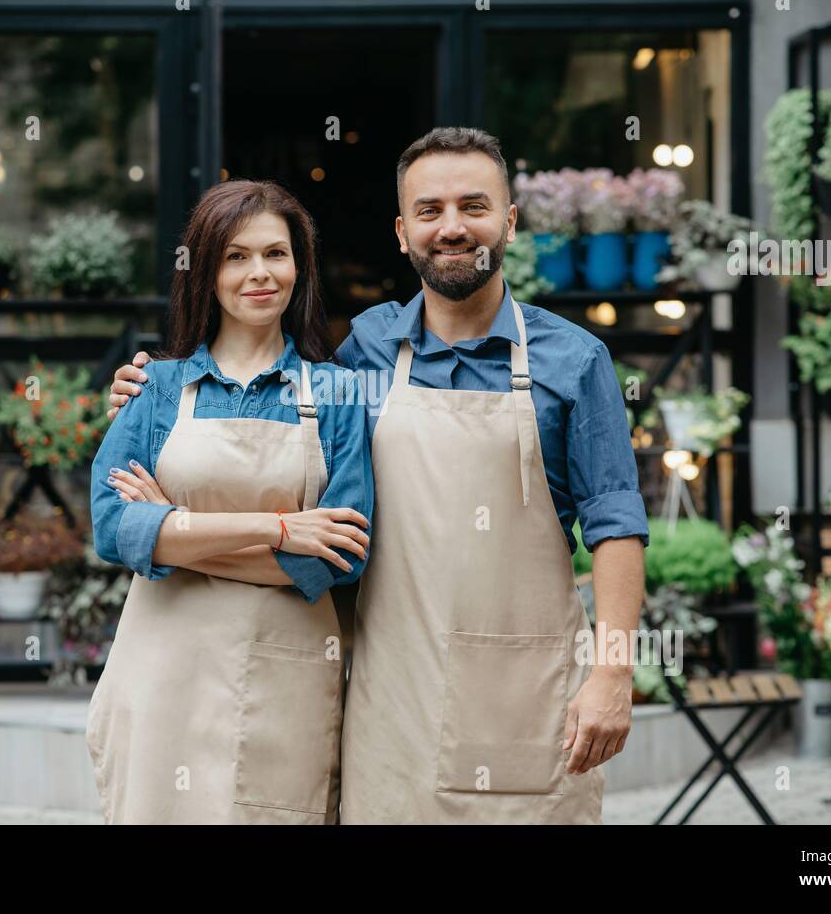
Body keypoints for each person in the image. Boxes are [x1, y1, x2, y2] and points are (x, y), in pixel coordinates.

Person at [107, 128, 647, 824]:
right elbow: (257, 410)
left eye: (473, 206)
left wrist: (612, 673)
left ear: (509, 221)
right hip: (387, 705)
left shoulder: (574, 361)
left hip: (526, 698)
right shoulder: (364, 351)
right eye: (429, 211)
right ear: (402, 232)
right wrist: (150, 391)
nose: (452, 227)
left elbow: (616, 524)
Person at [87, 178, 373, 824]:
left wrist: (175, 533)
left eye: (276, 254)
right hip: (164, 678)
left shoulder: (336, 393)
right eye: (236, 256)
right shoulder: (155, 388)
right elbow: (112, 527)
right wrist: (279, 530)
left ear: (299, 267)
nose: (259, 274)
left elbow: (339, 558)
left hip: (286, 679)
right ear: (206, 272)